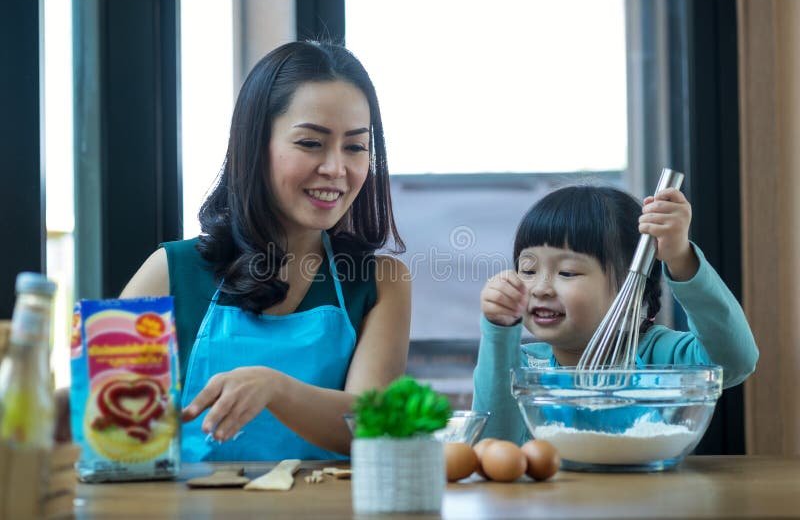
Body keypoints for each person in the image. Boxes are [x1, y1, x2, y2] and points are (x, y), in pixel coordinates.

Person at [121, 41, 411, 461]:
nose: (336, 168)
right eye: (311, 143)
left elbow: (372, 425)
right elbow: (109, 407)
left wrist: (275, 388)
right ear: (255, 146)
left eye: (354, 146)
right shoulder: (169, 271)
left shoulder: (383, 283)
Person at [472, 183, 758, 443]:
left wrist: (681, 258)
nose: (541, 288)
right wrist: (499, 330)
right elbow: (493, 442)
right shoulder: (524, 366)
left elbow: (734, 360)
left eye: (567, 272)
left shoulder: (660, 355)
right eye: (529, 270)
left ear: (630, 291)